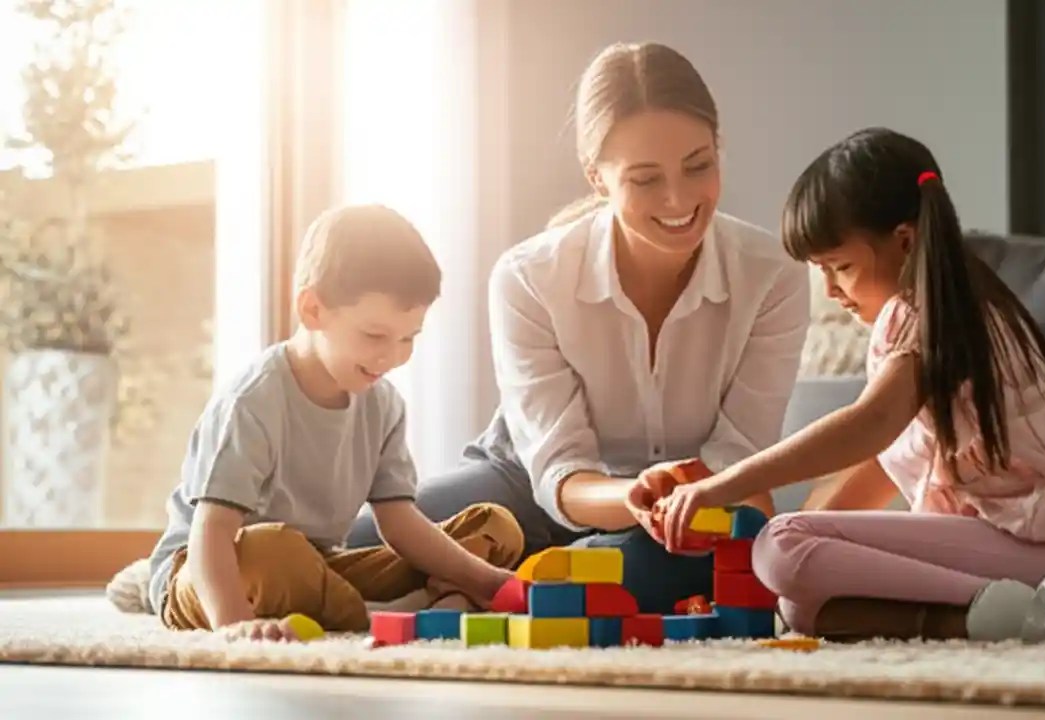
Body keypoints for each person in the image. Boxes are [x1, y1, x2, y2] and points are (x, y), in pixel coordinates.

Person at [649, 127, 1045, 645]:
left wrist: (722, 487)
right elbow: (883, 460)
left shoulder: (923, 315)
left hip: (1037, 553)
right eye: (821, 271)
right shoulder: (954, 305)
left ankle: (1038, 604)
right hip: (1023, 557)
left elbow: (869, 425)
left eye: (840, 267)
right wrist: (800, 527)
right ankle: (1003, 616)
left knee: (782, 545)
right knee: (798, 605)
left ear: (904, 242)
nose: (831, 290)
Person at [346, 42, 810, 614]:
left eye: (699, 165)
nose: (679, 198)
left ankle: (497, 581)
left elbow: (738, 461)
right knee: (355, 547)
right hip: (524, 482)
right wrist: (633, 495)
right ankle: (511, 577)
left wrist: (664, 503)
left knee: (641, 567)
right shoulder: (529, 277)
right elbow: (558, 470)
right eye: (645, 179)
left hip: (684, 509)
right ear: (597, 178)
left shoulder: (773, 277)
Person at [143, 204, 524, 641]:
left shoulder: (383, 403)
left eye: (408, 338)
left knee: (493, 526)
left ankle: (422, 599)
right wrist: (235, 625)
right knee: (274, 553)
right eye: (374, 335)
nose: (392, 356)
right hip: (213, 568)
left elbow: (399, 521)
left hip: (319, 564)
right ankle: (390, 614)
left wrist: (490, 581)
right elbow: (211, 533)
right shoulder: (252, 401)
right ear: (313, 310)